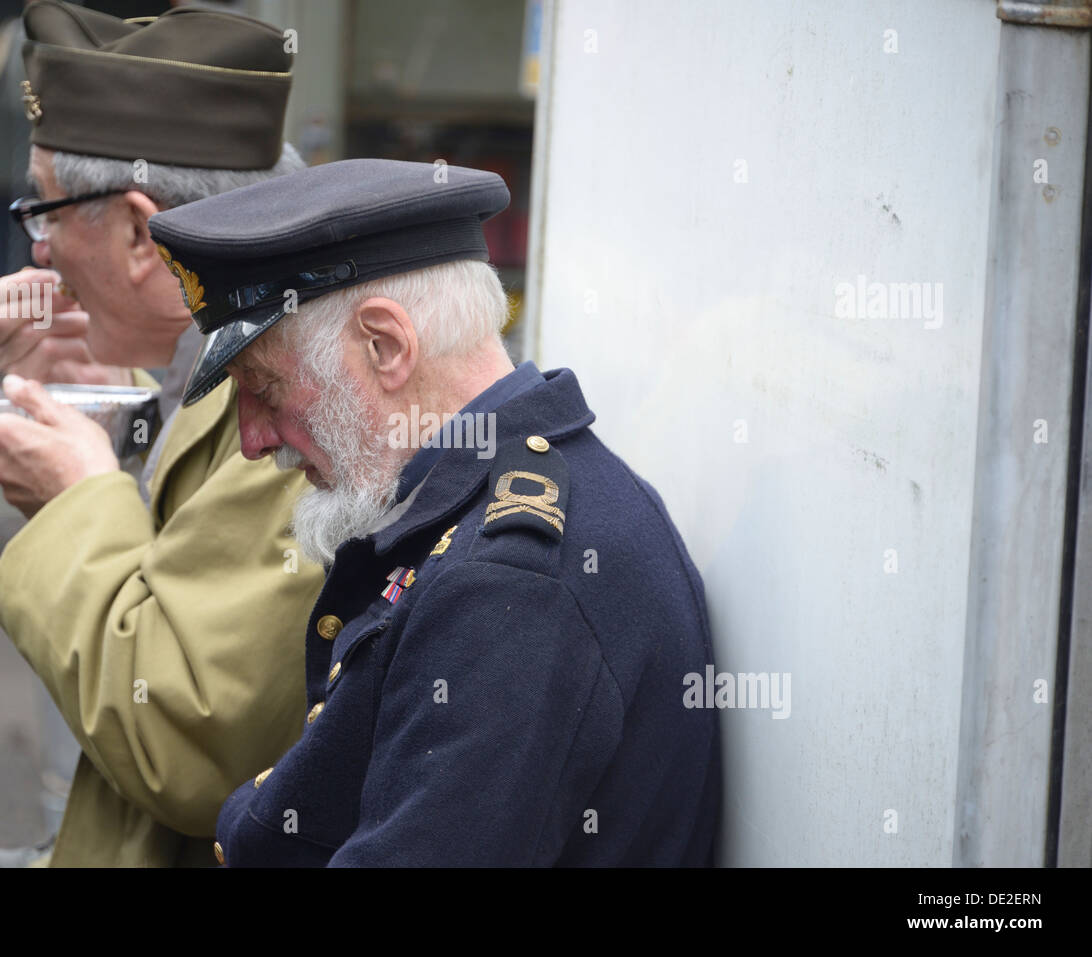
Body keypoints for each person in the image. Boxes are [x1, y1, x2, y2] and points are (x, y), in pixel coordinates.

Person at [144, 158, 723, 866]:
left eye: (264, 386)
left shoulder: (512, 582)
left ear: (385, 345)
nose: (252, 440)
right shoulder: (500, 507)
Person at [0, 2, 324, 867]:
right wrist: (102, 406)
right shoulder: (243, 342)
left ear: (144, 232)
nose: (37, 253)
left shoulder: (298, 407)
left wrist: (78, 496)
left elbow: (181, 744)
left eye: (45, 210)